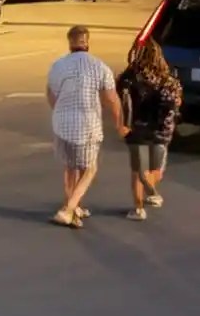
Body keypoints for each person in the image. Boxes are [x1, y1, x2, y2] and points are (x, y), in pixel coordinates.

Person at [46, 25, 129, 228]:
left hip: (62, 124)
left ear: (70, 42)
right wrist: (120, 124)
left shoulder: (58, 66)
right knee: (89, 168)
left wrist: (60, 112)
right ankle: (68, 209)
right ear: (87, 42)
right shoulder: (99, 67)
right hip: (87, 125)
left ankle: (72, 206)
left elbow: (51, 94)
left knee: (70, 167)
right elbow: (112, 99)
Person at [117, 41, 182, 221]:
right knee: (155, 170)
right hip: (161, 130)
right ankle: (151, 191)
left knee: (137, 170)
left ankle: (138, 208)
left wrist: (123, 124)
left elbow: (122, 101)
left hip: (136, 128)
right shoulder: (168, 78)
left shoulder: (129, 77)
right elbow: (176, 102)